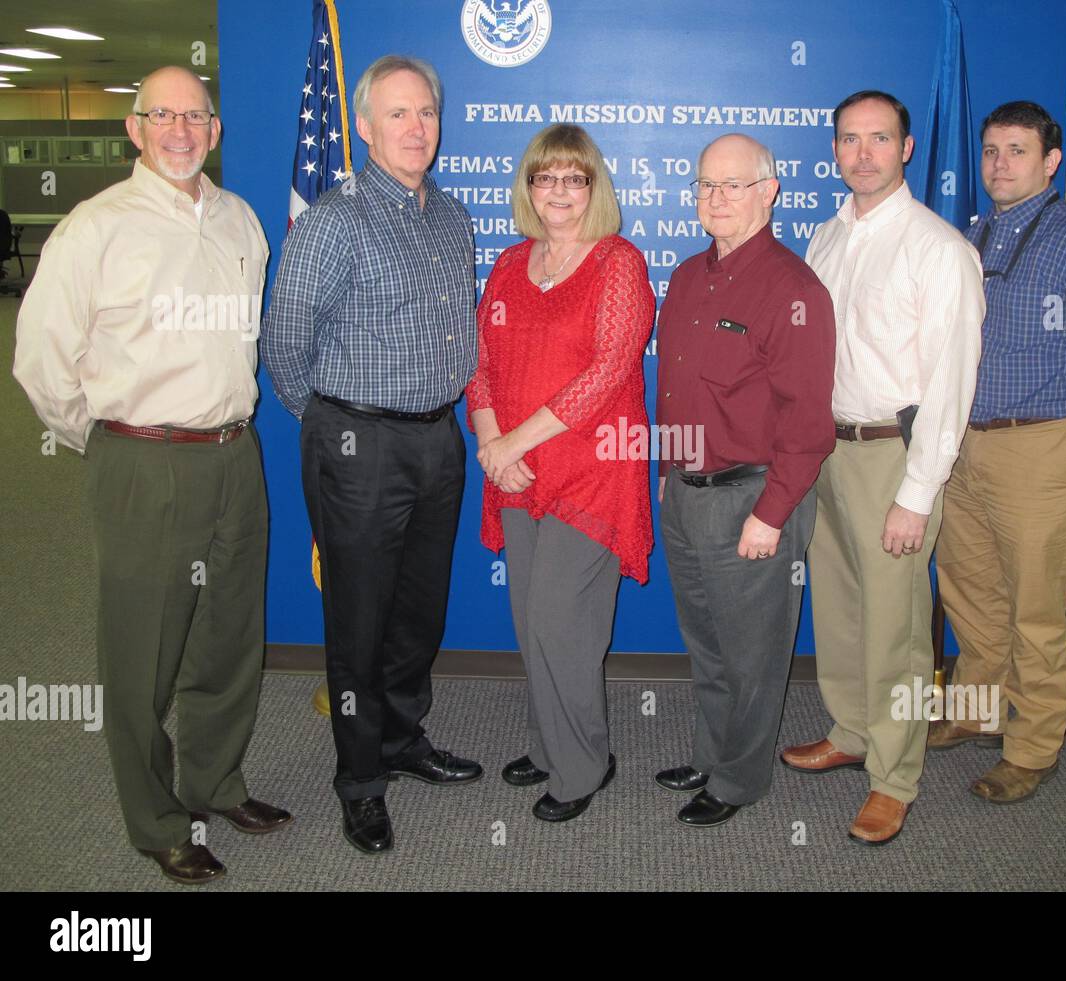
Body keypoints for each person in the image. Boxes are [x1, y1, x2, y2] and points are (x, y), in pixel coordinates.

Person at [13, 66, 289, 885]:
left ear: (216, 129)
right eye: (161, 115)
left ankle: (215, 781)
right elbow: (41, 363)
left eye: (196, 115)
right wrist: (109, 442)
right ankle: (158, 819)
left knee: (229, 643)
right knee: (141, 658)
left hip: (236, 455)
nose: (180, 129)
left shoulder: (241, 221)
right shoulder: (93, 229)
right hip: (143, 459)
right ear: (134, 129)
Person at [261, 55, 481, 855]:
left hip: (438, 439)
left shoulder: (452, 216)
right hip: (358, 442)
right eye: (396, 114)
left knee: (418, 611)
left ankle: (401, 738)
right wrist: (335, 428)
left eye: (425, 112)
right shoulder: (334, 220)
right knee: (356, 621)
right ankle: (358, 780)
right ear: (362, 126)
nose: (415, 127)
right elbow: (284, 346)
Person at [779, 91, 984, 845]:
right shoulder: (826, 237)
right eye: (849, 139)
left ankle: (895, 777)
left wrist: (916, 493)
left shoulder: (940, 249)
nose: (862, 153)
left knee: (896, 632)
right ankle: (853, 730)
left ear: (905, 148)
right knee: (837, 607)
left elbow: (952, 385)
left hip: (893, 457)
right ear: (834, 149)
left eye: (879, 139)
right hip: (825, 450)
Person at [928, 101, 1066, 804]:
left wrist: (1055, 425)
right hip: (966, 444)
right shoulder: (974, 234)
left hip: (1041, 447)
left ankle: (1033, 743)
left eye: (1017, 151)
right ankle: (978, 711)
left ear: (1051, 162)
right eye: (991, 151)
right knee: (970, 590)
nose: (1000, 165)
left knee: (1036, 605)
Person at [465, 124, 654, 822]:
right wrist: (494, 444)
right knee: (529, 619)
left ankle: (584, 764)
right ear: (529, 188)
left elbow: (606, 374)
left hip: (593, 471)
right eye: (546, 178)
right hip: (515, 470)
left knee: (562, 621)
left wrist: (511, 442)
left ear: (594, 187)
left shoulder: (618, 264)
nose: (559, 193)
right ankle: (554, 742)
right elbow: (479, 364)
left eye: (574, 179)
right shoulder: (513, 263)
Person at [655, 133, 836, 828]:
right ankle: (712, 750)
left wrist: (771, 513)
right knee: (707, 641)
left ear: (770, 192)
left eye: (733, 185)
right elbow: (675, 391)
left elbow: (808, 424)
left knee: (753, 654)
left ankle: (738, 779)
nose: (716, 198)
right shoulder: (688, 276)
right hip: (686, 493)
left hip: (753, 500)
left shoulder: (794, 291)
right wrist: (671, 471)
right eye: (705, 185)